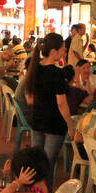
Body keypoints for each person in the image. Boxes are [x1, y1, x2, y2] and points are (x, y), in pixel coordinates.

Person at [27, 32, 73, 170]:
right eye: (63, 48)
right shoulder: (56, 73)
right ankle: (45, 191)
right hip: (54, 123)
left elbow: (30, 98)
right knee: (47, 165)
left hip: (37, 120)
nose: (65, 51)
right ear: (54, 51)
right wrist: (70, 124)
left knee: (36, 163)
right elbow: (61, 103)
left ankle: (34, 191)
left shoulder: (34, 68)